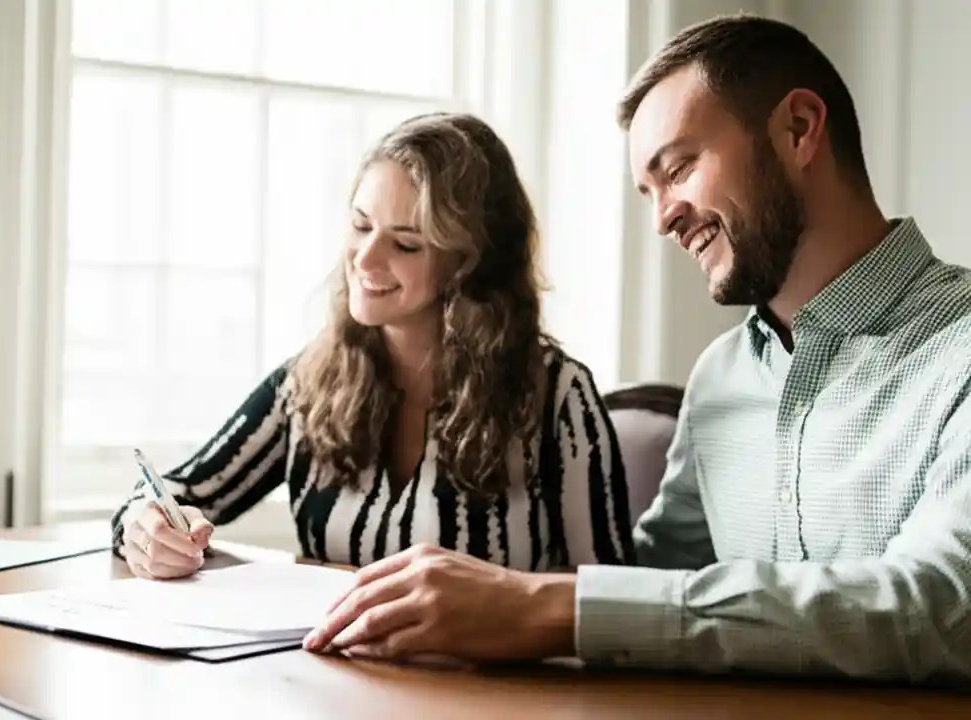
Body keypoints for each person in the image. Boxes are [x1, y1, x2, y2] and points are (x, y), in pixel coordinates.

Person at [304, 14, 971, 684]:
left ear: (797, 130)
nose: (663, 219)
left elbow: (942, 609)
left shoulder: (958, 349)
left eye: (678, 168)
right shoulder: (723, 379)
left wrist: (547, 606)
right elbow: (653, 584)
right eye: (649, 193)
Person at [110, 112, 635, 579]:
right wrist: (145, 527)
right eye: (360, 225)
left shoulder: (557, 396)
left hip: (489, 688)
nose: (364, 258)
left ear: (472, 261)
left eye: (406, 243)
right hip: (329, 681)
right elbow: (180, 490)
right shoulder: (308, 381)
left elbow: (610, 595)